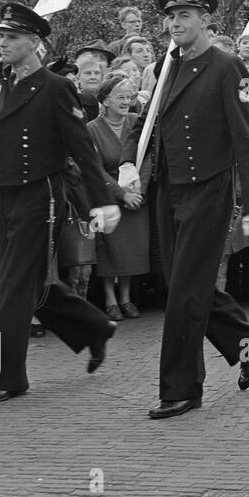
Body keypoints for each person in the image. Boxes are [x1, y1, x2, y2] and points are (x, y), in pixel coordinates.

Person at [0, 4, 121, 403]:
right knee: (26, 284)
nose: (2, 42)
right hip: (6, 193)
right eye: (1, 35)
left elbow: (81, 148)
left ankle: (5, 377)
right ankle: (92, 326)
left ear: (35, 42)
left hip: (41, 196)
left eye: (12, 37)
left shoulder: (54, 87)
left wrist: (100, 202)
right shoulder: (5, 85)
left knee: (12, 288)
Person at [118, 0, 249, 419]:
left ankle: (180, 389)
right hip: (169, 189)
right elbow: (147, 127)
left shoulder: (227, 68)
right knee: (184, 284)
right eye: (169, 17)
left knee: (185, 292)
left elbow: (247, 142)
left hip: (208, 188)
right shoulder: (168, 67)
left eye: (184, 15)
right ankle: (247, 339)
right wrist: (131, 162)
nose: (174, 24)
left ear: (206, 19)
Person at [88, 76, 149, 320]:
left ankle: (125, 297)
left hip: (137, 196)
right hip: (106, 197)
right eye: (120, 97)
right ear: (104, 100)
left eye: (129, 97)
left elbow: (147, 158)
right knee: (108, 250)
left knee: (131, 250)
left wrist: (138, 191)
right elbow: (95, 168)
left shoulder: (136, 123)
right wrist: (121, 194)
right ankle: (110, 299)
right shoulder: (91, 129)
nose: (126, 102)